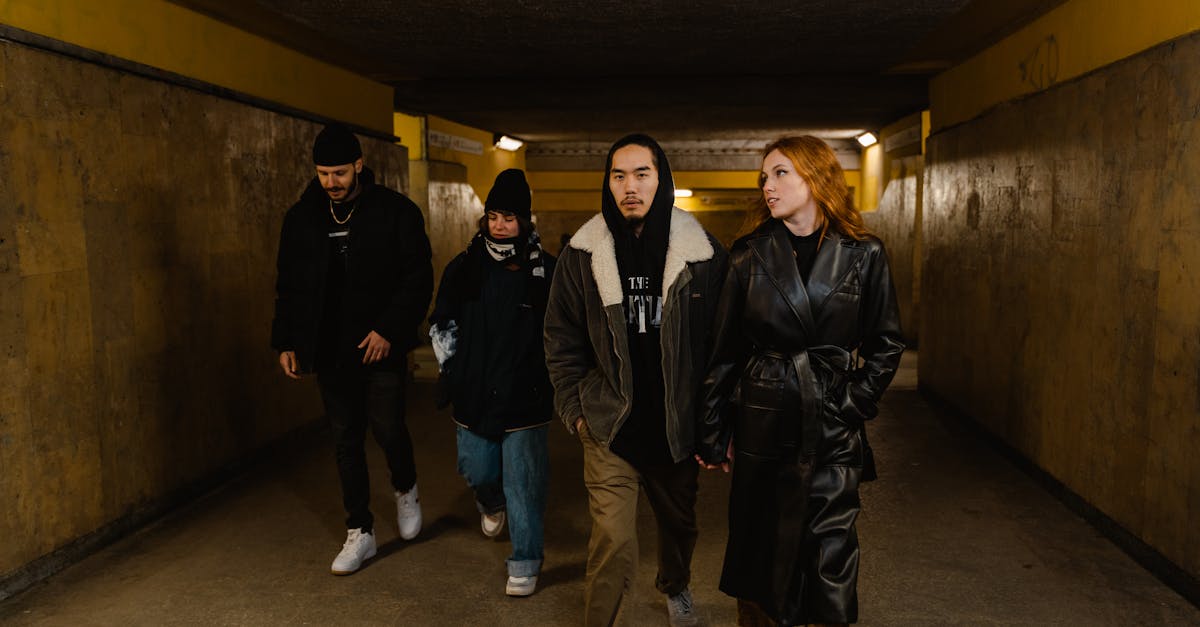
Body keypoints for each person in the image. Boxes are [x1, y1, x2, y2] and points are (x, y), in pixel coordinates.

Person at [695, 136, 905, 626]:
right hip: (764, 416)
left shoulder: (864, 254)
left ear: (815, 177)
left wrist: (853, 402)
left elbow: (886, 343)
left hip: (832, 420)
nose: (768, 186)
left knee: (831, 543)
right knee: (762, 540)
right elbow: (724, 352)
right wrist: (713, 427)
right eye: (764, 177)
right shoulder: (748, 256)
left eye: (780, 173)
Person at [544, 134, 728, 627]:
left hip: (676, 430)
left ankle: (675, 583)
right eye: (618, 175)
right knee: (612, 539)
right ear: (607, 183)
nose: (630, 186)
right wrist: (575, 411)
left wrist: (715, 424)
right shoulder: (582, 255)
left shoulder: (704, 255)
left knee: (679, 529)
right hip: (609, 424)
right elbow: (560, 337)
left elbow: (723, 347)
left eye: (641, 174)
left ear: (662, 179)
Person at [270, 123, 433, 575]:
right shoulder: (301, 218)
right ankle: (360, 531)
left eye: (339, 173)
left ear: (359, 165)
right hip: (330, 349)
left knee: (387, 428)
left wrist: (389, 330)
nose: (331, 183)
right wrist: (286, 340)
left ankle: (405, 487)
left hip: (380, 346)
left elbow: (417, 278)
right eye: (323, 174)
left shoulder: (395, 212)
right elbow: (289, 285)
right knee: (345, 440)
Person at [428, 169, 556, 597]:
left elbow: (562, 332)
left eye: (510, 218)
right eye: (494, 216)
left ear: (525, 221)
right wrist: (454, 372)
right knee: (477, 467)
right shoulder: (464, 268)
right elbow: (442, 321)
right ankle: (490, 500)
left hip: (526, 395)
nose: (500, 226)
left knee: (524, 481)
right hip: (475, 392)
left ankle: (524, 560)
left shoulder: (546, 270)